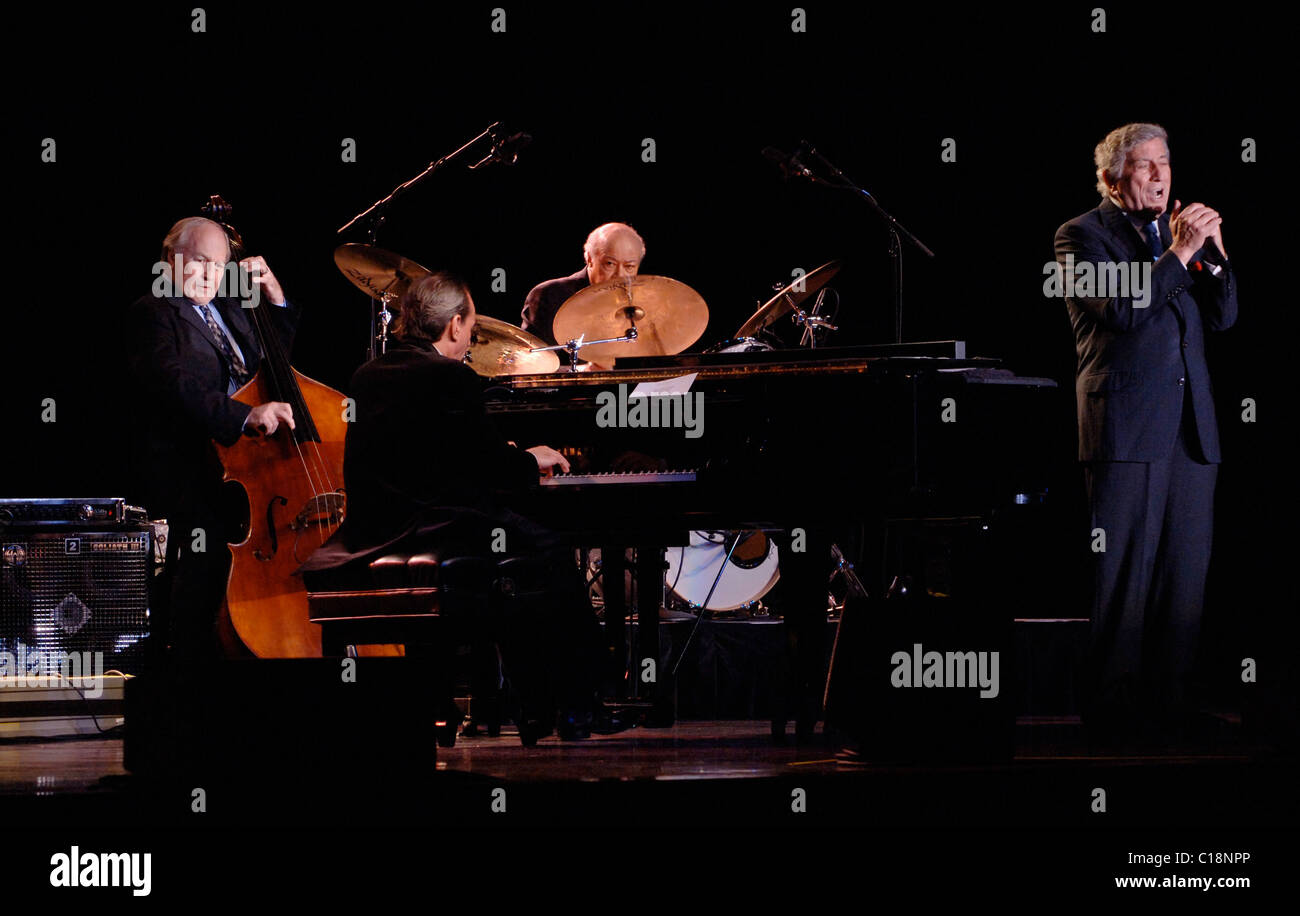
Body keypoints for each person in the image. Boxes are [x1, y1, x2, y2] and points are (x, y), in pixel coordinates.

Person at [301, 272, 603, 742]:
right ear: (455, 324)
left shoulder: (365, 375)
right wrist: (530, 459)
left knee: (521, 559)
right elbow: (484, 465)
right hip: (434, 527)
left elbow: (431, 454)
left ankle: (536, 706)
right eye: (471, 327)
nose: (470, 339)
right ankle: (577, 707)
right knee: (552, 551)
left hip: (371, 530)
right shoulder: (451, 376)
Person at [1054, 123, 1237, 740]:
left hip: (1191, 433)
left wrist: (1213, 256)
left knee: (1184, 578)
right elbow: (1125, 311)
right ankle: (1111, 711)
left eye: (1165, 163)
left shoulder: (1176, 235)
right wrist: (1179, 255)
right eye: (1145, 166)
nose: (1161, 176)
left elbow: (1225, 317)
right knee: (1124, 575)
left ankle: (1169, 704)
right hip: (1125, 430)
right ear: (1112, 179)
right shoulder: (1081, 236)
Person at [127, 216, 297, 662]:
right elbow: (174, 385)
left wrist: (277, 302)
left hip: (242, 467)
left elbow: (270, 369)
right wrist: (245, 416)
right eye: (199, 262)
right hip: (192, 468)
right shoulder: (155, 312)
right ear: (170, 261)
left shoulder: (230, 311)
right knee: (205, 566)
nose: (209, 275)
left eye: (219, 266)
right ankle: (188, 675)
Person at [521, 221, 645, 356]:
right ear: (589, 259)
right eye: (610, 264)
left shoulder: (647, 303)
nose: (619, 275)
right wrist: (584, 370)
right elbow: (532, 363)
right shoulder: (550, 296)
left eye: (629, 267)